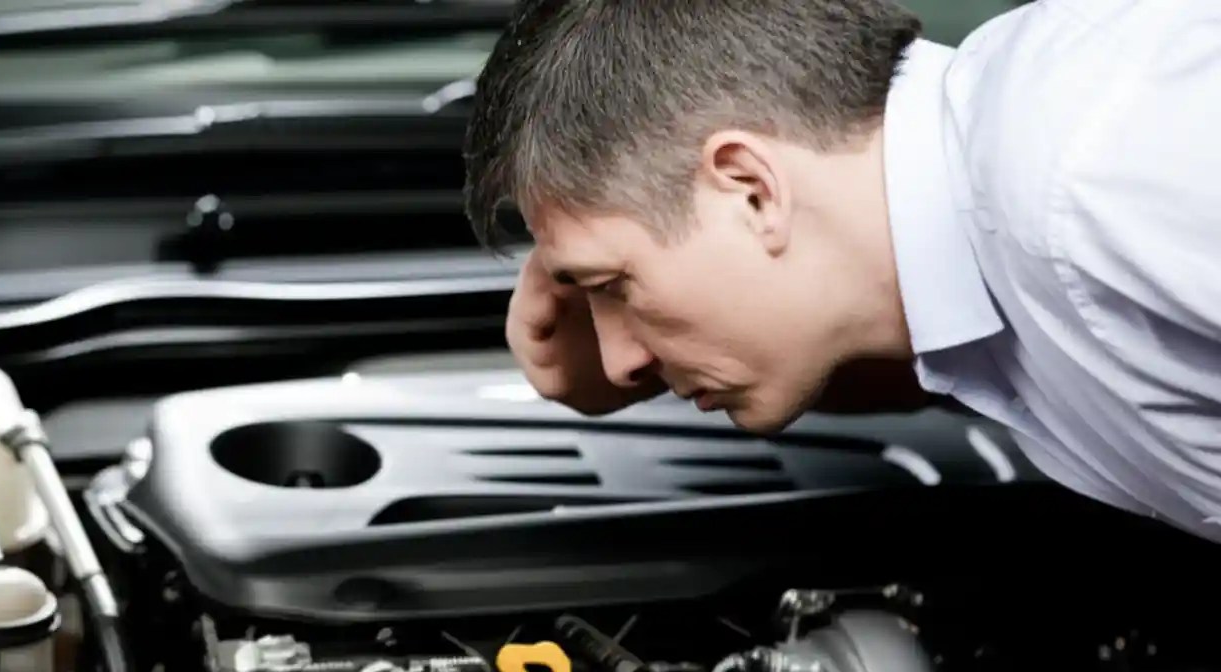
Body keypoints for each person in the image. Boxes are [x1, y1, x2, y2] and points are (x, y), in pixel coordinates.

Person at [460, 1, 1221, 541]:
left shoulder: (1113, 173)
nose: (623, 359)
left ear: (752, 188)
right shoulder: (999, 228)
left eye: (615, 288)